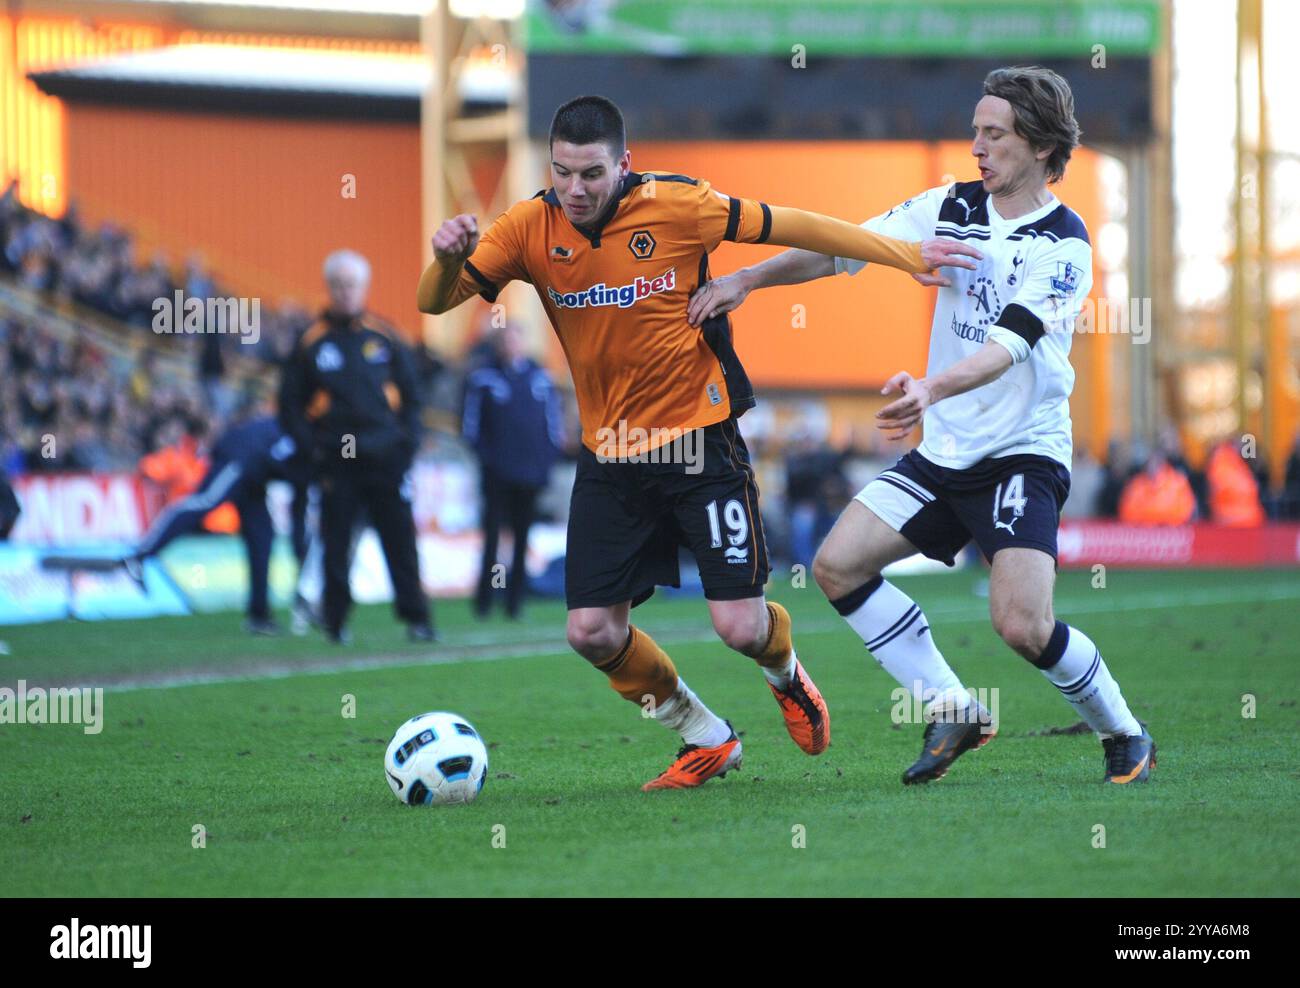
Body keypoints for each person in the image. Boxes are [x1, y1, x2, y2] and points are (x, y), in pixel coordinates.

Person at [418, 94, 979, 790]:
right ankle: (704, 735)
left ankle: (785, 674)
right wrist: (446, 259)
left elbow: (792, 223)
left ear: (624, 164)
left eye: (591, 173)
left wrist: (898, 253)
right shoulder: (529, 227)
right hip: (610, 456)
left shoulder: (680, 206)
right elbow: (434, 303)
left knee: (741, 629)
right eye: (562, 172)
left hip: (700, 446)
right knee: (590, 632)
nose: (575, 189)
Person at [692, 67, 1157, 785]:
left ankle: (1123, 730)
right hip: (944, 450)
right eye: (976, 129)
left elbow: (1009, 346)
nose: (976, 144)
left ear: (1036, 145)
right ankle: (953, 707)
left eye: (993, 132)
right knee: (838, 564)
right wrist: (744, 282)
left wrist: (930, 387)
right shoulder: (951, 205)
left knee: (1022, 626)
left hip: (1020, 453)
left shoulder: (1063, 246)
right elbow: (841, 245)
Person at [280, 249, 435, 644]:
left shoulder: (385, 336)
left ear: (364, 288)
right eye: (339, 285)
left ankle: (418, 618)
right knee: (336, 542)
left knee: (400, 540)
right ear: (328, 287)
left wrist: (407, 444)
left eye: (352, 285)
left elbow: (413, 395)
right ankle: (335, 621)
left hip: (386, 457)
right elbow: (290, 405)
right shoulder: (312, 342)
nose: (345, 292)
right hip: (337, 460)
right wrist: (312, 448)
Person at [122, 388, 307, 634]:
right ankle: (139, 556)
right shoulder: (308, 436)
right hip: (241, 457)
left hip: (256, 473)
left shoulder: (310, 436)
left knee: (262, 538)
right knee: (205, 501)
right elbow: (282, 465)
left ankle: (259, 615)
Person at [463, 322, 564, 619]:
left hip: (530, 473)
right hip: (496, 474)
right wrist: (488, 461)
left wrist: (546, 461)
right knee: (492, 538)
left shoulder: (540, 378)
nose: (510, 345)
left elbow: (553, 425)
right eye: (505, 339)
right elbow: (471, 427)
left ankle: (515, 601)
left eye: (515, 338)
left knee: (523, 538)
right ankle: (484, 600)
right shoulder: (483, 379)